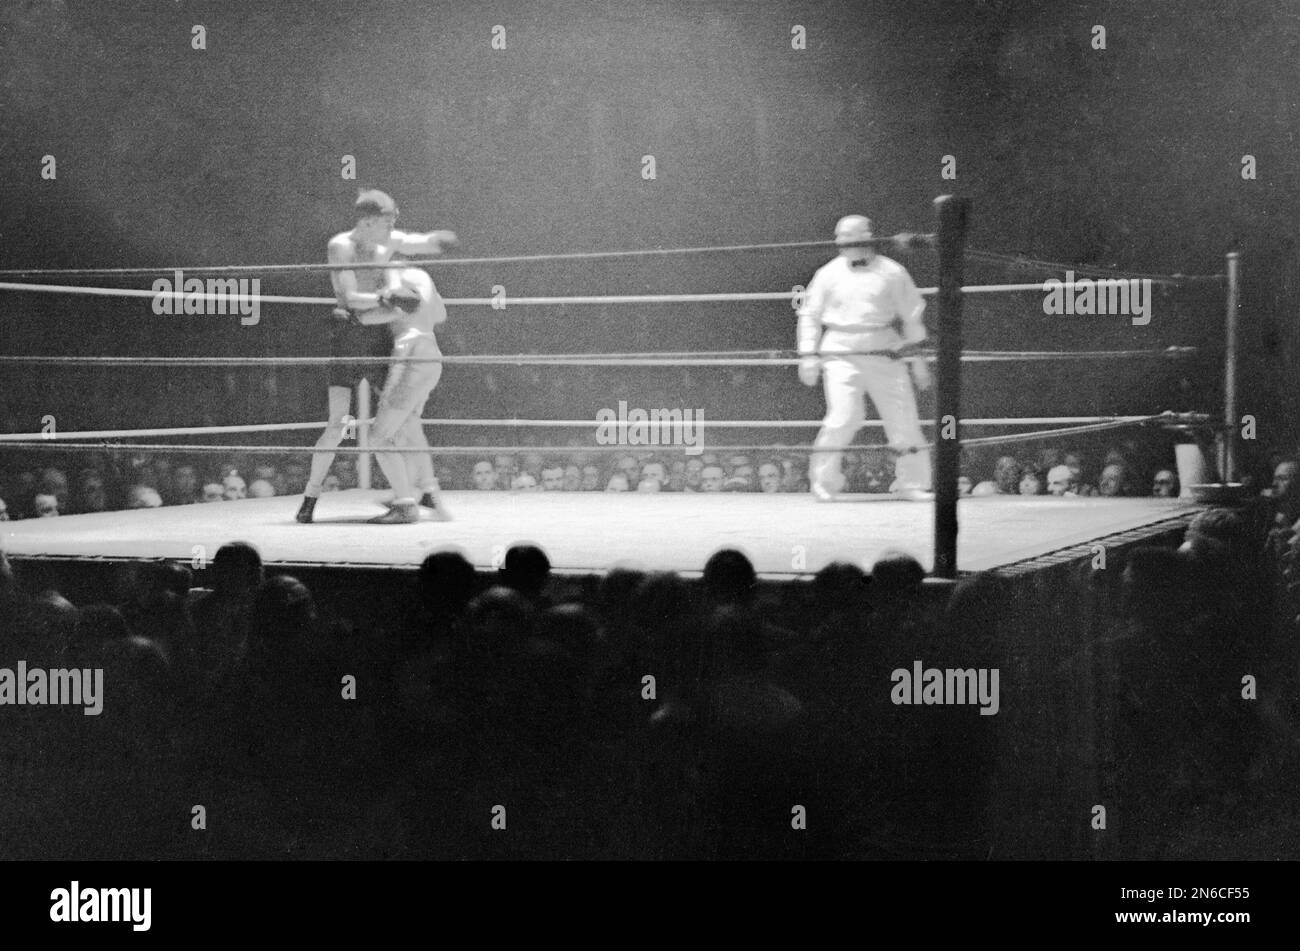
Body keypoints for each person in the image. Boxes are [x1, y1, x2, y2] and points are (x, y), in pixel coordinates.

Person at [296, 189, 456, 523]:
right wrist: (389, 297)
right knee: (338, 424)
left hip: (380, 339)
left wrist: (444, 240)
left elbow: (419, 243)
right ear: (367, 222)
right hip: (348, 338)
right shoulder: (340, 246)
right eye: (386, 223)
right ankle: (310, 498)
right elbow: (350, 297)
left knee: (405, 418)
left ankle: (426, 494)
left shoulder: (388, 241)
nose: (391, 229)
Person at [797, 215, 932, 501]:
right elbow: (809, 315)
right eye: (838, 237)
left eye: (848, 236)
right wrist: (807, 354)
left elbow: (912, 317)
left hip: (883, 345)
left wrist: (919, 361)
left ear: (867, 236)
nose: (840, 242)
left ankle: (912, 483)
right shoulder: (828, 273)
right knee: (843, 417)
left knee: (902, 415)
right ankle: (824, 481)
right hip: (840, 349)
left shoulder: (893, 272)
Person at [363, 267, 454, 523]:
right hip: (430, 352)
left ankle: (405, 504)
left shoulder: (393, 272)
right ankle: (429, 494)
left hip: (410, 355)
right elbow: (440, 313)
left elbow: (400, 303)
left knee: (378, 436)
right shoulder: (422, 275)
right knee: (411, 427)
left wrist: (361, 310)